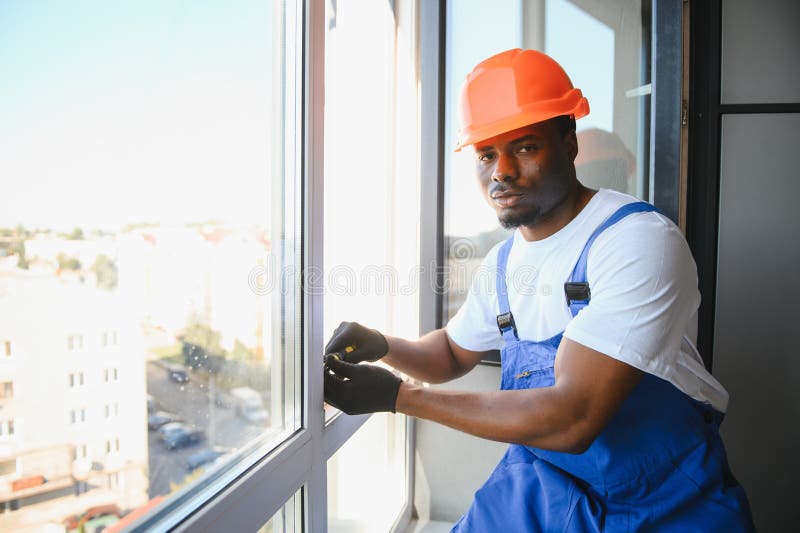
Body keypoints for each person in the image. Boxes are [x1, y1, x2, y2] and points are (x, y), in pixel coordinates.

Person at [324, 49, 754, 531]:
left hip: (666, 503)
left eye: (525, 147)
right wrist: (383, 345)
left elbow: (575, 415)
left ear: (569, 144)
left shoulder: (636, 240)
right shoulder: (504, 264)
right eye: (486, 154)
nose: (501, 170)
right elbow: (448, 351)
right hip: (545, 489)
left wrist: (400, 397)